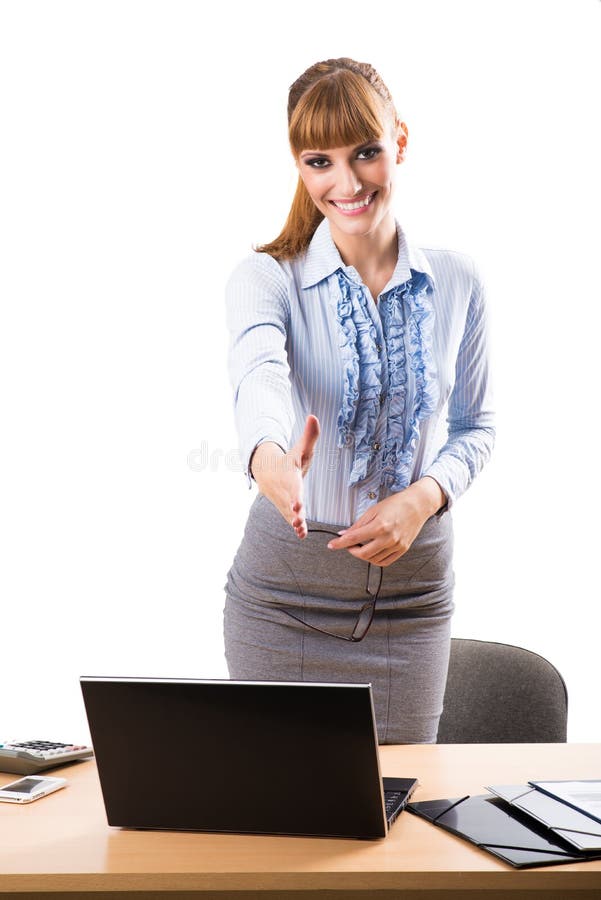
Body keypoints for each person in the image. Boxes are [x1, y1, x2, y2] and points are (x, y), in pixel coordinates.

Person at [222, 57, 495, 743]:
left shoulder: (457, 280)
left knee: (398, 815)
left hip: (413, 597)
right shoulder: (266, 277)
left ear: (399, 141)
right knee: (273, 809)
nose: (345, 183)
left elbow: (477, 426)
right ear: (298, 165)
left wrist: (423, 496)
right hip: (284, 595)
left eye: (365, 152)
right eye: (319, 161)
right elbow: (256, 369)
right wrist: (267, 455)